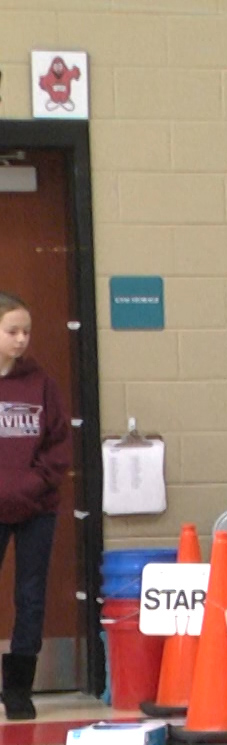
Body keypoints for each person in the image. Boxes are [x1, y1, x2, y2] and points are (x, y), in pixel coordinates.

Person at [0, 293, 70, 720]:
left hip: (36, 508)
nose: (22, 339)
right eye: (12, 331)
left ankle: (19, 690)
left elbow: (58, 445)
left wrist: (32, 482)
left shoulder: (42, 382)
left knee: (30, 597)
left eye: (27, 331)